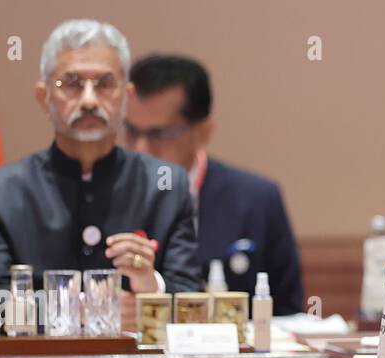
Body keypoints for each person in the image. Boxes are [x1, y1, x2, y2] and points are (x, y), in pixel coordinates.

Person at [0, 20, 200, 292]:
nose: (89, 100)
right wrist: (80, 311)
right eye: (72, 84)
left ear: (126, 98)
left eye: (105, 84)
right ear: (44, 97)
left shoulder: (166, 186)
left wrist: (151, 288)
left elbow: (189, 299)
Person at [126, 55, 304, 315]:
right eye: (131, 131)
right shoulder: (108, 193)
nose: (141, 148)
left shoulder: (256, 200)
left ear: (204, 132)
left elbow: (288, 313)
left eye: (159, 134)